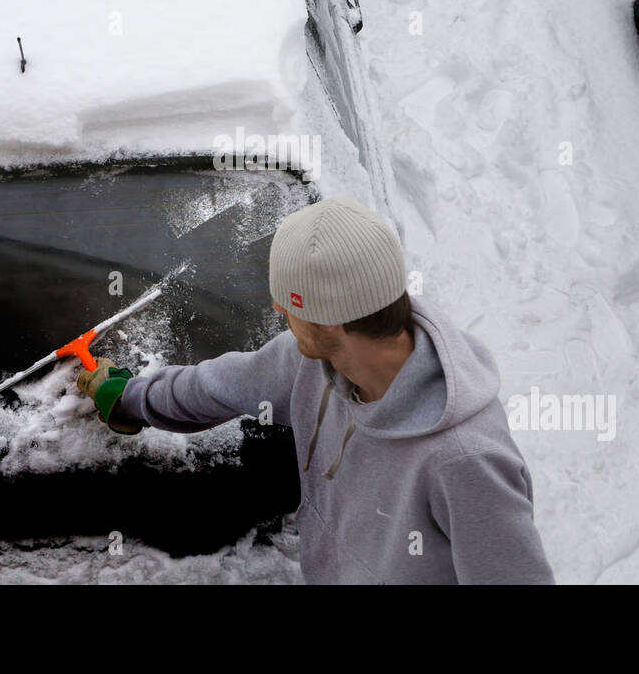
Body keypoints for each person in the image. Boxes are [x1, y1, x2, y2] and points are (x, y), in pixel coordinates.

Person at [77, 196, 554, 584]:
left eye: (288, 302)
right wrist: (129, 398)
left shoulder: (465, 459)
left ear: (331, 318)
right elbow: (219, 386)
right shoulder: (311, 362)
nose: (277, 309)